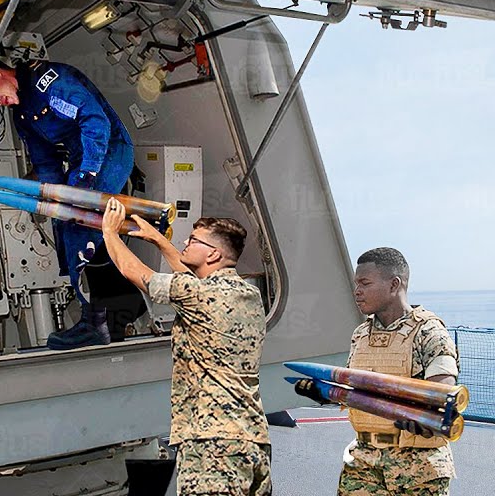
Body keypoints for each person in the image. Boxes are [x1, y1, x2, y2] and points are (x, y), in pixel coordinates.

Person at [0, 35, 135, 349]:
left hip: (107, 151)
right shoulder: (22, 116)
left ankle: (101, 321)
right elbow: (45, 160)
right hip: (80, 161)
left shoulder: (48, 82)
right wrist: (49, 195)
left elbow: (93, 120)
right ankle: (107, 311)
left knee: (82, 226)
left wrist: (87, 173)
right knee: (65, 226)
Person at [100, 198, 271, 496]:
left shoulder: (196, 294)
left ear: (214, 253)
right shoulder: (246, 294)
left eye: (193, 240)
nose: (185, 243)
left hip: (211, 446)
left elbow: (134, 272)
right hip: (251, 440)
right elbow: (193, 278)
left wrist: (110, 234)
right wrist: (157, 240)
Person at [295, 247, 459, 496]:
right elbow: (355, 390)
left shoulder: (430, 333)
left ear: (394, 285)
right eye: (356, 283)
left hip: (416, 468)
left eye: (365, 283)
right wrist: (324, 393)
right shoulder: (360, 334)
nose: (357, 291)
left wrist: (427, 420)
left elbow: (443, 399)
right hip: (364, 462)